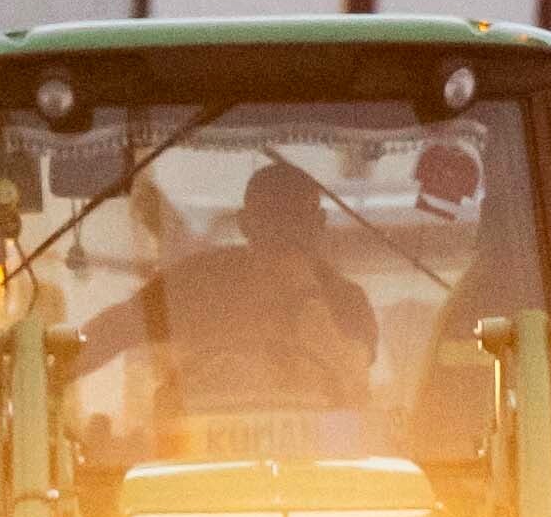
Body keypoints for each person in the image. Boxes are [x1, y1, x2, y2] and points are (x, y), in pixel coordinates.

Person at [129, 157, 384, 424]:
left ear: (318, 223)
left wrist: (306, 293)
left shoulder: (347, 301)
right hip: (210, 455)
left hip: (330, 455)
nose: (282, 234)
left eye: (295, 221)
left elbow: (353, 389)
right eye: (269, 221)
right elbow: (167, 379)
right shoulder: (203, 293)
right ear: (245, 224)